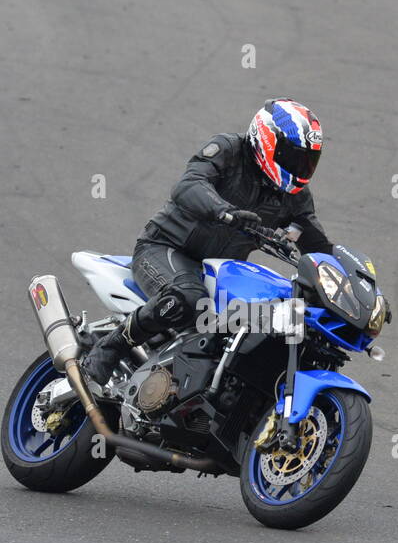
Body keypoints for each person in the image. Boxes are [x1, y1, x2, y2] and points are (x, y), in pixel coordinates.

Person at [81, 98, 334, 386]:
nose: (300, 166)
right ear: (266, 139)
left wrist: (355, 286)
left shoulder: (295, 197)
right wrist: (223, 211)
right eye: (293, 157)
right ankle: (112, 346)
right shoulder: (228, 150)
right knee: (188, 298)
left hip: (221, 272)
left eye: (307, 160)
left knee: (269, 321)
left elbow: (317, 245)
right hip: (165, 249)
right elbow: (188, 186)